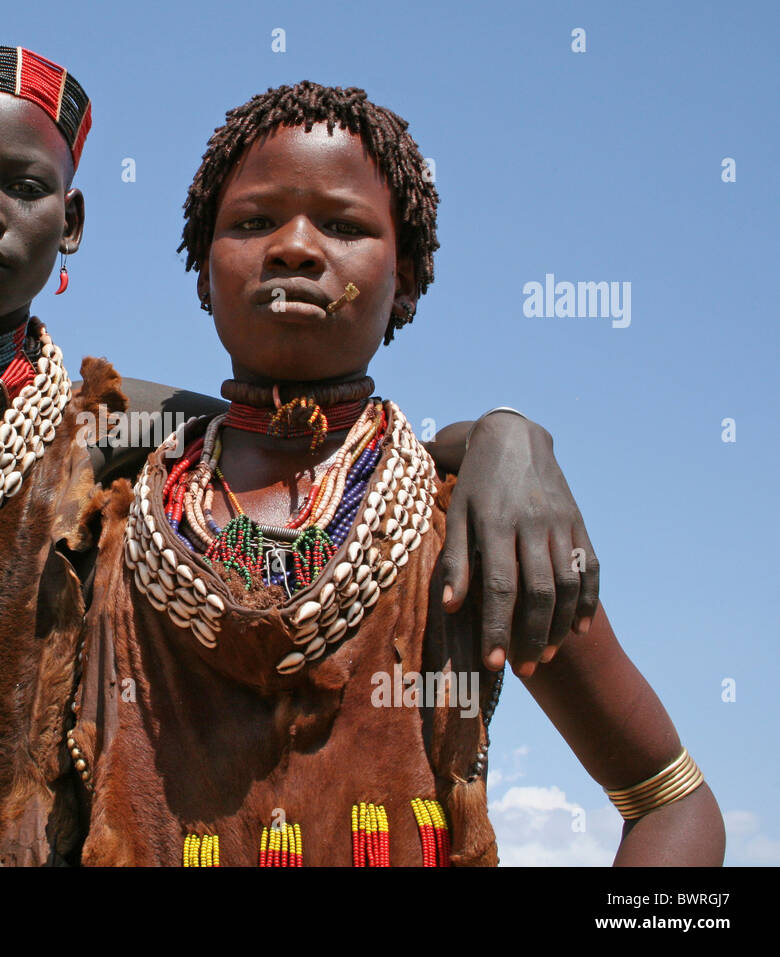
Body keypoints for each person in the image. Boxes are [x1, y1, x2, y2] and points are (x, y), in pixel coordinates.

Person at [0, 47, 601, 866]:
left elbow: (341, 456)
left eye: (24, 185)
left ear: (69, 224)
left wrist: (511, 437)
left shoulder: (127, 427)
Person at [72, 82, 724, 866]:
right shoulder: (102, 512)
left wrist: (507, 436)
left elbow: (670, 801)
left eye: (343, 226)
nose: (295, 248)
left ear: (406, 279)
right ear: (203, 273)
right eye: (252, 223)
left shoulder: (471, 526)